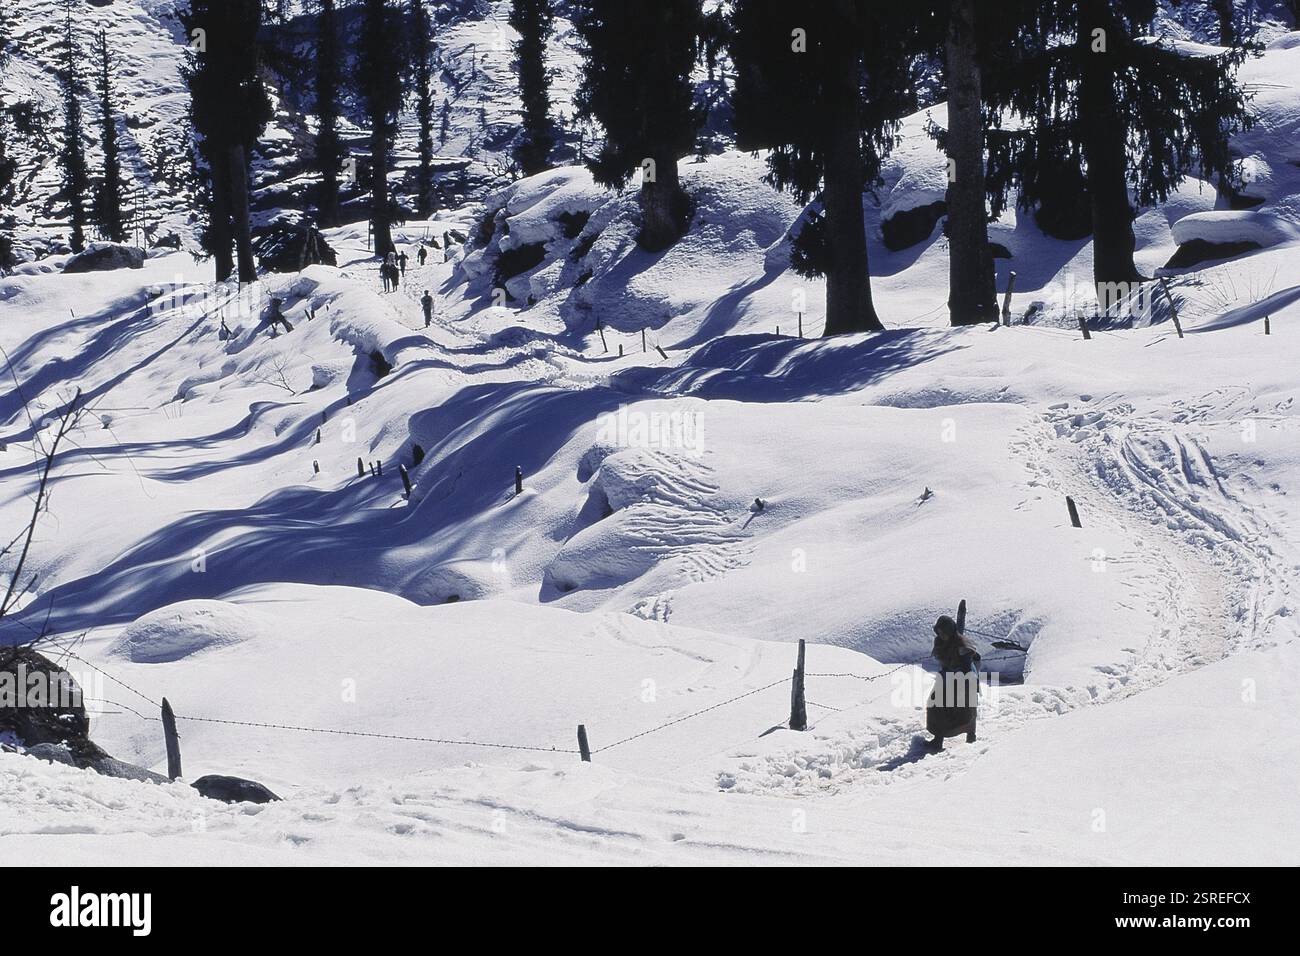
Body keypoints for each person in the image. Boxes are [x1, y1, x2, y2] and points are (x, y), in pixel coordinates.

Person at [924, 615, 980, 751]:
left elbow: (967, 667)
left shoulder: (962, 646)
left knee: (965, 709)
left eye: (944, 632)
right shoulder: (940, 642)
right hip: (948, 676)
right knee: (935, 704)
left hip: (964, 679)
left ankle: (971, 735)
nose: (941, 635)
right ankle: (938, 739)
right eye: (939, 632)